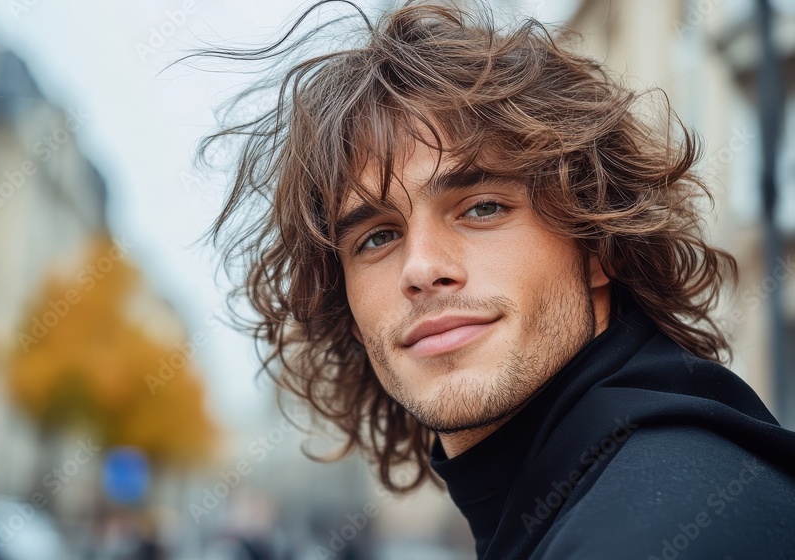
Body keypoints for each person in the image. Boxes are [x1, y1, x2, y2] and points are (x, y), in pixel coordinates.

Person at [194, 1, 795, 558]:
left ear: (598, 244)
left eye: (482, 207)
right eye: (376, 237)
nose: (422, 268)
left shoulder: (664, 527)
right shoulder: (598, 498)